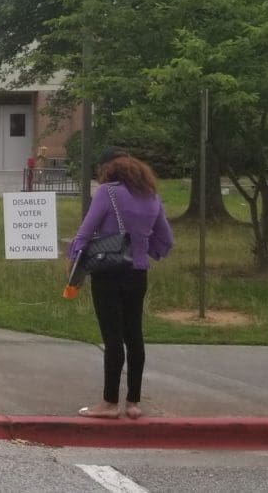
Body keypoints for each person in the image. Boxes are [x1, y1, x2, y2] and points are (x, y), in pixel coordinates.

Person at [66, 148, 173, 419]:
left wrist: (75, 264)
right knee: (134, 335)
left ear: (108, 170)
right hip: (138, 273)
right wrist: (144, 249)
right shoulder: (151, 197)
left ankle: (109, 403)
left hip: (108, 271)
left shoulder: (107, 193)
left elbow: (85, 232)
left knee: (112, 337)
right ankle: (133, 402)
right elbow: (165, 240)